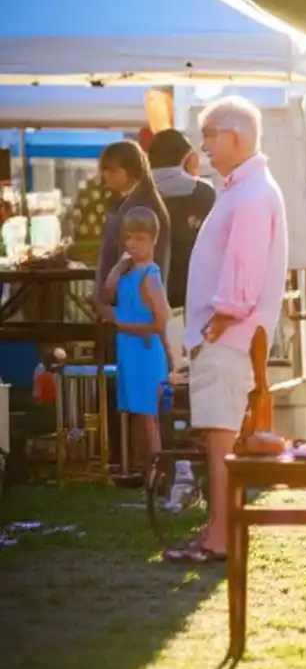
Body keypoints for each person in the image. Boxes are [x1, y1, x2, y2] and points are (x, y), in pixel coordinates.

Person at [165, 96, 288, 564]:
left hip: (228, 337)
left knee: (220, 445)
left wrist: (219, 320)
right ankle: (215, 530)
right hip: (225, 336)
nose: (205, 147)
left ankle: (220, 537)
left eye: (210, 135)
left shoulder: (253, 193)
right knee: (218, 442)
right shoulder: (244, 189)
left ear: (235, 136)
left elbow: (244, 267)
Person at [100, 206, 174, 481]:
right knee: (135, 413)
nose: (132, 244)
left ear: (153, 240)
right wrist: (118, 268)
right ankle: (144, 468)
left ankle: (156, 472)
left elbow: (160, 321)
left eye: (139, 238)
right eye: (129, 238)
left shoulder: (150, 277)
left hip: (144, 349)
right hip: (129, 349)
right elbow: (107, 294)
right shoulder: (129, 271)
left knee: (147, 416)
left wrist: (122, 324)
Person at [147, 129, 216, 365]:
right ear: (184, 156)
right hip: (194, 281)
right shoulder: (204, 193)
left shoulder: (137, 195)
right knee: (196, 353)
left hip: (147, 286)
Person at [94, 141, 171, 302]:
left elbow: (135, 254)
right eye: (105, 169)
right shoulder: (131, 201)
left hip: (133, 300)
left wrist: (109, 289)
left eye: (113, 170)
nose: (107, 175)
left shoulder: (142, 207)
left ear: (131, 171)